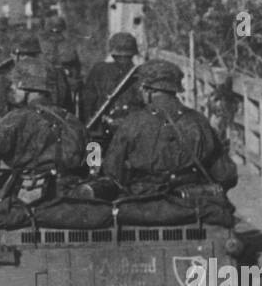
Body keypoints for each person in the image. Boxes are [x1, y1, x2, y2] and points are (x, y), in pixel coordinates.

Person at [0, 60, 90, 240]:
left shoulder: (15, 119)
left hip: (26, 197)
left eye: (16, 86)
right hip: (67, 196)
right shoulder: (72, 120)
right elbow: (92, 159)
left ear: (26, 89)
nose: (12, 90)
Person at [103, 59, 238, 221]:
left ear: (147, 90)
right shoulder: (199, 121)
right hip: (191, 206)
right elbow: (226, 175)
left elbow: (112, 172)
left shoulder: (132, 122)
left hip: (143, 207)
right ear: (175, 90)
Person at [0, 29, 74, 117]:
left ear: (17, 54)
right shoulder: (58, 71)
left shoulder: (7, 77)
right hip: (54, 122)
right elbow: (68, 108)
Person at [80, 31, 144, 142]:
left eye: (126, 56)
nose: (123, 59)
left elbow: (87, 102)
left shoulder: (99, 69)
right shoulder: (140, 73)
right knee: (93, 157)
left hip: (109, 132)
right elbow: (87, 101)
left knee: (93, 158)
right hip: (105, 131)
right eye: (121, 56)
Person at [40, 14, 82, 114]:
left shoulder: (42, 45)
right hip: (65, 87)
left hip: (45, 85)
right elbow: (76, 69)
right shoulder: (69, 45)